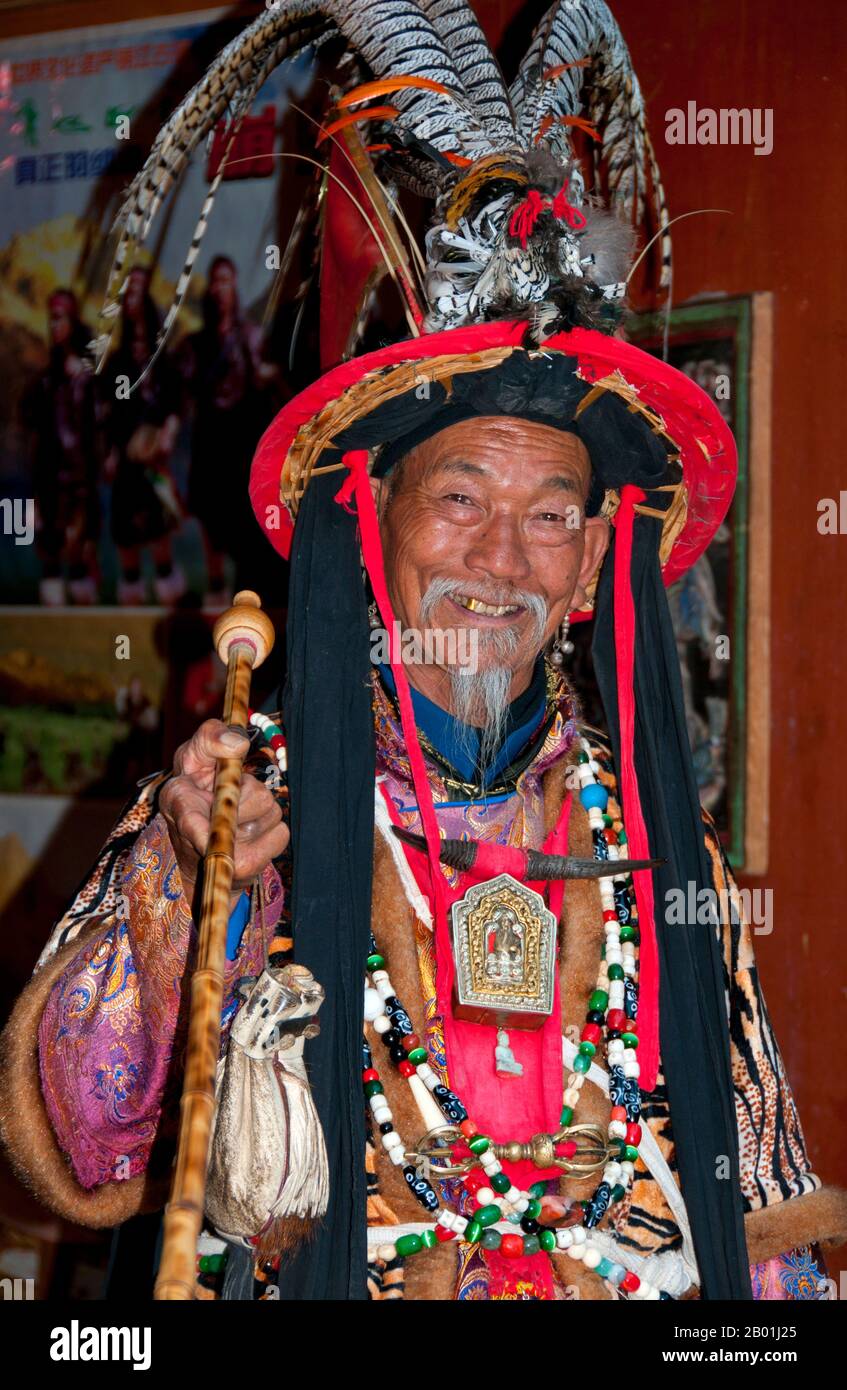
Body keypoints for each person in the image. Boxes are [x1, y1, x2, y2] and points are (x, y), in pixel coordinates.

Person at [1, 0, 844, 1304]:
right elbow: (80, 1137)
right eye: (460, 498)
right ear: (369, 521)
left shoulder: (651, 841)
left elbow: (766, 1224)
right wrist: (182, 888)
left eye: (548, 515)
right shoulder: (240, 798)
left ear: (585, 566)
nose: (501, 560)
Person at [177, 255, 276, 605]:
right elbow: (184, 392)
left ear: (235, 286)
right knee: (208, 512)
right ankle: (215, 584)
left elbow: (266, 389)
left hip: (241, 442)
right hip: (209, 440)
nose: (221, 288)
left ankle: (243, 589)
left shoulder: (250, 336)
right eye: (215, 281)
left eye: (226, 281)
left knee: (240, 518)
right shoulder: (197, 343)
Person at [101, 266, 185, 605]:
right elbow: (108, 414)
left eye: (138, 291)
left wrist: (168, 433)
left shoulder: (161, 359)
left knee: (160, 536)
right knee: (126, 541)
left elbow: (177, 403)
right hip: (126, 463)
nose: (133, 298)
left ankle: (171, 615)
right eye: (128, 293)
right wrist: (110, 452)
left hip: (156, 466)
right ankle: (130, 624)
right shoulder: (118, 361)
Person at [21, 288, 100, 606]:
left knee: (80, 557)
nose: (53, 326)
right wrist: (34, 498)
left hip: (81, 485)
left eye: (59, 318)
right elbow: (33, 435)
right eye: (50, 319)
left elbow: (99, 431)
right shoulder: (43, 381)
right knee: (51, 559)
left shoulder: (89, 378)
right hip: (49, 484)